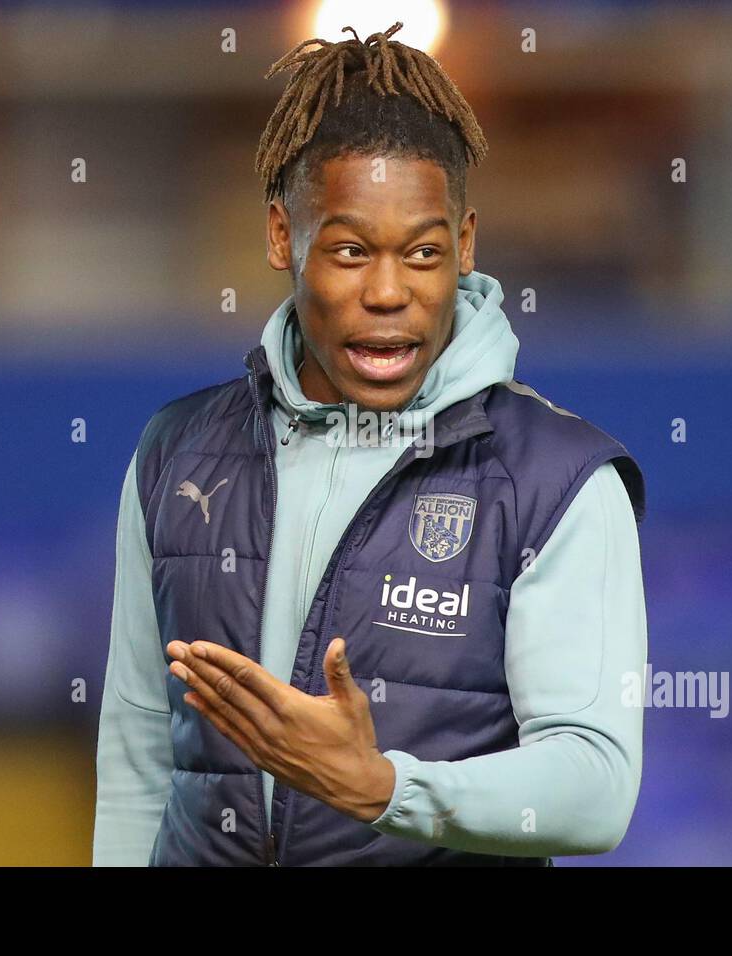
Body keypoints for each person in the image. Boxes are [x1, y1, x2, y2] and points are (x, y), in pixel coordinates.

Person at [93, 21, 647, 867]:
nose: (389, 292)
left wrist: (386, 790)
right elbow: (138, 758)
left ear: (463, 247)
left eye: (422, 253)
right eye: (350, 252)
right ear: (284, 238)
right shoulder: (176, 454)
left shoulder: (556, 479)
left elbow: (596, 788)